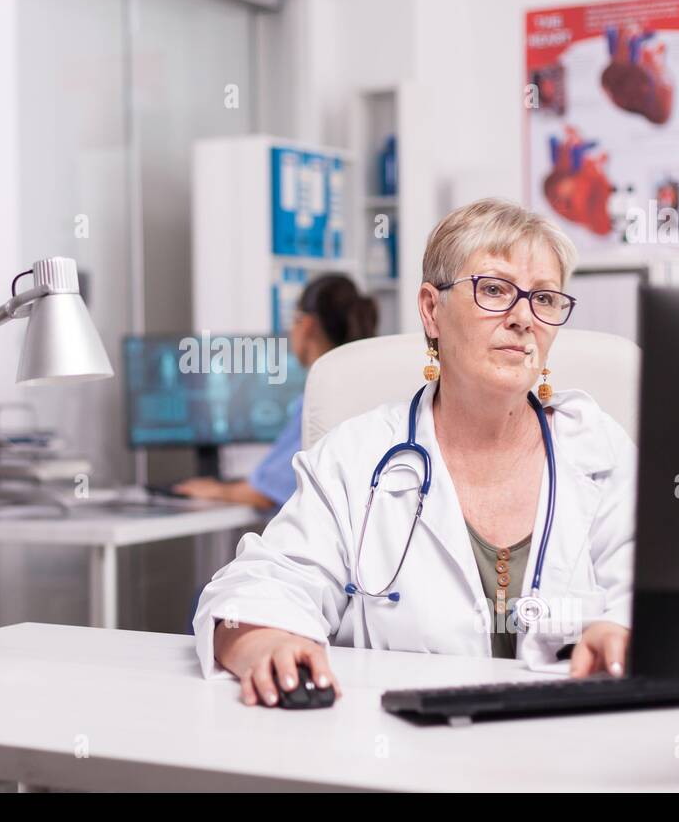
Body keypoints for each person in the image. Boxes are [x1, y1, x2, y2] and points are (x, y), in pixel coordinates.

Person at [194, 198, 636, 706]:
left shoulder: (601, 452)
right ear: (431, 310)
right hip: (402, 758)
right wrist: (266, 642)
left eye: (545, 299)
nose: (523, 318)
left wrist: (625, 633)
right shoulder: (356, 457)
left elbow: (657, 597)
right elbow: (262, 586)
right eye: (494, 289)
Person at [173, 274, 378, 510]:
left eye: (293, 321)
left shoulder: (321, 398)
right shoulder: (359, 388)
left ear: (307, 325)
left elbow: (269, 491)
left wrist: (217, 490)